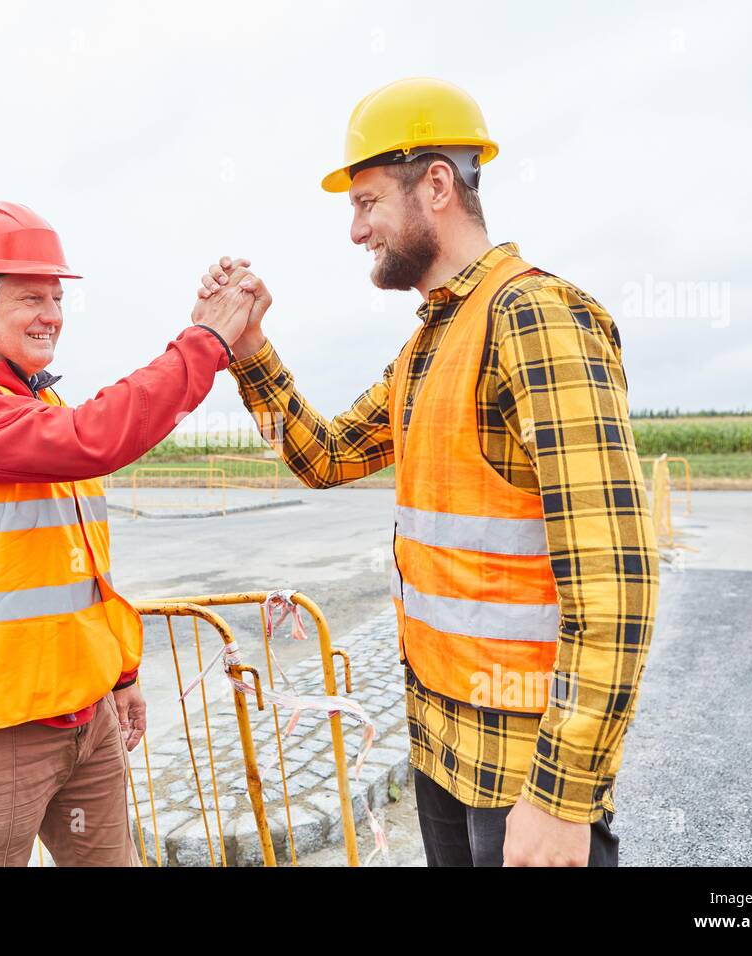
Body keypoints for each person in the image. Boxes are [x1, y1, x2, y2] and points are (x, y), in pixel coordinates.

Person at [200, 78, 659, 866]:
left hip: (527, 775)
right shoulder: (427, 347)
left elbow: (615, 582)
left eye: (367, 201)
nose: (355, 231)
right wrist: (249, 353)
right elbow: (327, 455)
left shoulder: (534, 318)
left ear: (437, 184)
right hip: (445, 754)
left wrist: (562, 795)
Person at [0, 201, 255, 866]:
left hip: (85, 722)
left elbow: (74, 565)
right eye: (32, 297)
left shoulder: (35, 404)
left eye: (56, 297)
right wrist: (206, 342)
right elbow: (97, 438)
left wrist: (118, 674)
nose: (52, 315)